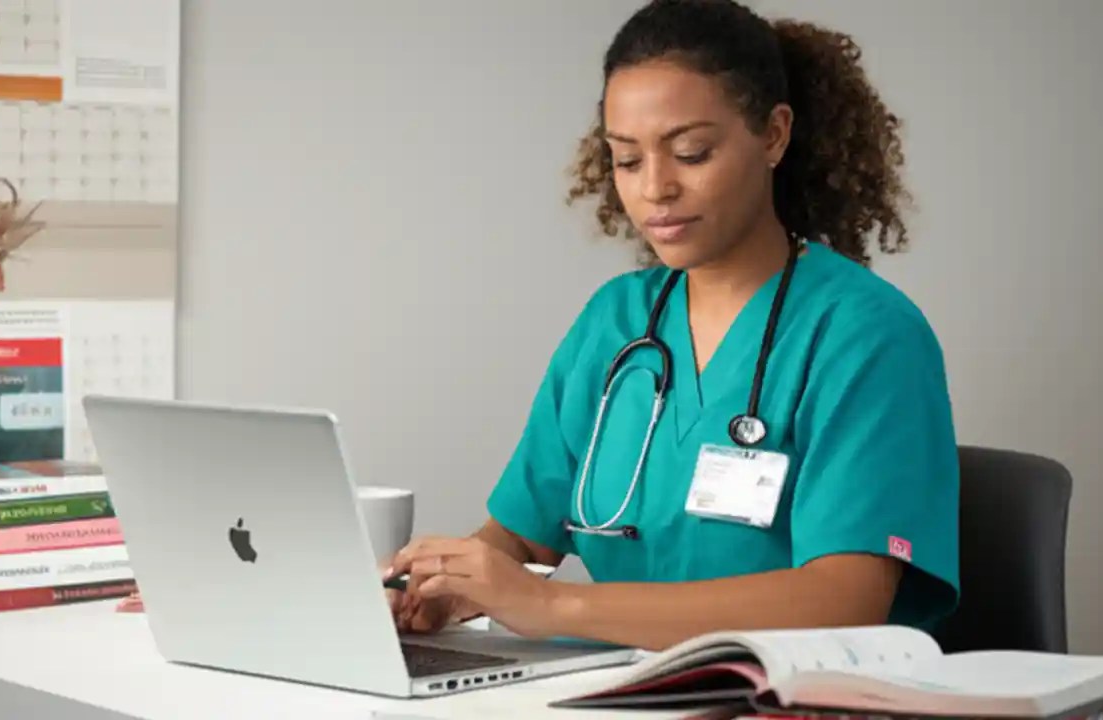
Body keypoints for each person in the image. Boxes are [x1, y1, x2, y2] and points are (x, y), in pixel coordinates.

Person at [387, 0, 960, 652]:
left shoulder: (866, 335)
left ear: (773, 135)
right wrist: (447, 586)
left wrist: (553, 602)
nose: (655, 188)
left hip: (786, 694)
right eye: (627, 160)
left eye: (690, 152)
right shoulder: (616, 323)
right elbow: (520, 533)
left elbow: (847, 597)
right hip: (610, 685)